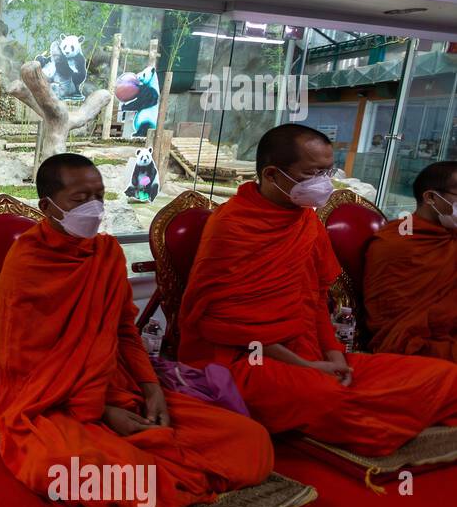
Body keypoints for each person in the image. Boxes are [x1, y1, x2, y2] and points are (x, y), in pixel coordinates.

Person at [0, 153, 273, 507]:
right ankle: (163, 471)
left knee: (251, 441)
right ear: (48, 206)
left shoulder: (106, 253)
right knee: (82, 474)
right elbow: (19, 365)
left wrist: (151, 388)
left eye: (99, 196)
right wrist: (103, 411)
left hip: (118, 387)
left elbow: (124, 329)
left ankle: (164, 467)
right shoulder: (27, 263)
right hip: (47, 403)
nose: (94, 207)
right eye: (80, 199)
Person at [179, 124, 457, 456]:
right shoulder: (233, 226)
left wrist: (335, 357)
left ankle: (372, 416)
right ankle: (375, 418)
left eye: (328, 170)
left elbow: (313, 302)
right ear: (272, 174)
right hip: (244, 360)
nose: (323, 182)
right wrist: (307, 368)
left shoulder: (306, 223)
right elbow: (226, 328)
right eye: (312, 173)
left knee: (446, 376)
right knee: (327, 397)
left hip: (309, 351)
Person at [363, 160, 457, 361]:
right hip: (420, 343)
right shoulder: (397, 243)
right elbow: (394, 319)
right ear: (431, 197)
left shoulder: (451, 234)